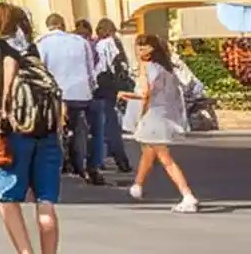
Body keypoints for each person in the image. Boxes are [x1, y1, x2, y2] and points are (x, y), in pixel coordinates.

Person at [0, 5, 63, 254]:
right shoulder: (30, 48)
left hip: (12, 130)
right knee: (45, 202)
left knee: (8, 197)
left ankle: (25, 251)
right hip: (45, 129)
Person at [120, 34, 200, 213]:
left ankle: (187, 195)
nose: (141, 50)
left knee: (165, 159)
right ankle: (137, 186)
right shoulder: (166, 69)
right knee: (150, 150)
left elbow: (145, 93)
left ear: (153, 49)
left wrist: (128, 98)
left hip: (153, 115)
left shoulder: (146, 67)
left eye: (144, 47)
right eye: (139, 46)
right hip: (165, 114)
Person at [36, 14, 104, 186]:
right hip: (82, 92)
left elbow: (41, 70)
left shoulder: (42, 43)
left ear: (48, 26)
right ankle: (93, 166)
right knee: (92, 129)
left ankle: (60, 162)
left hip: (56, 93)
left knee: (54, 129)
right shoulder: (80, 41)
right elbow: (90, 67)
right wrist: (91, 87)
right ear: (63, 25)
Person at [94, 18, 133, 172]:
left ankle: (115, 157)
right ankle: (117, 156)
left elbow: (102, 67)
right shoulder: (117, 43)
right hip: (115, 87)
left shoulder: (104, 44)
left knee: (107, 123)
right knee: (112, 121)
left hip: (104, 85)